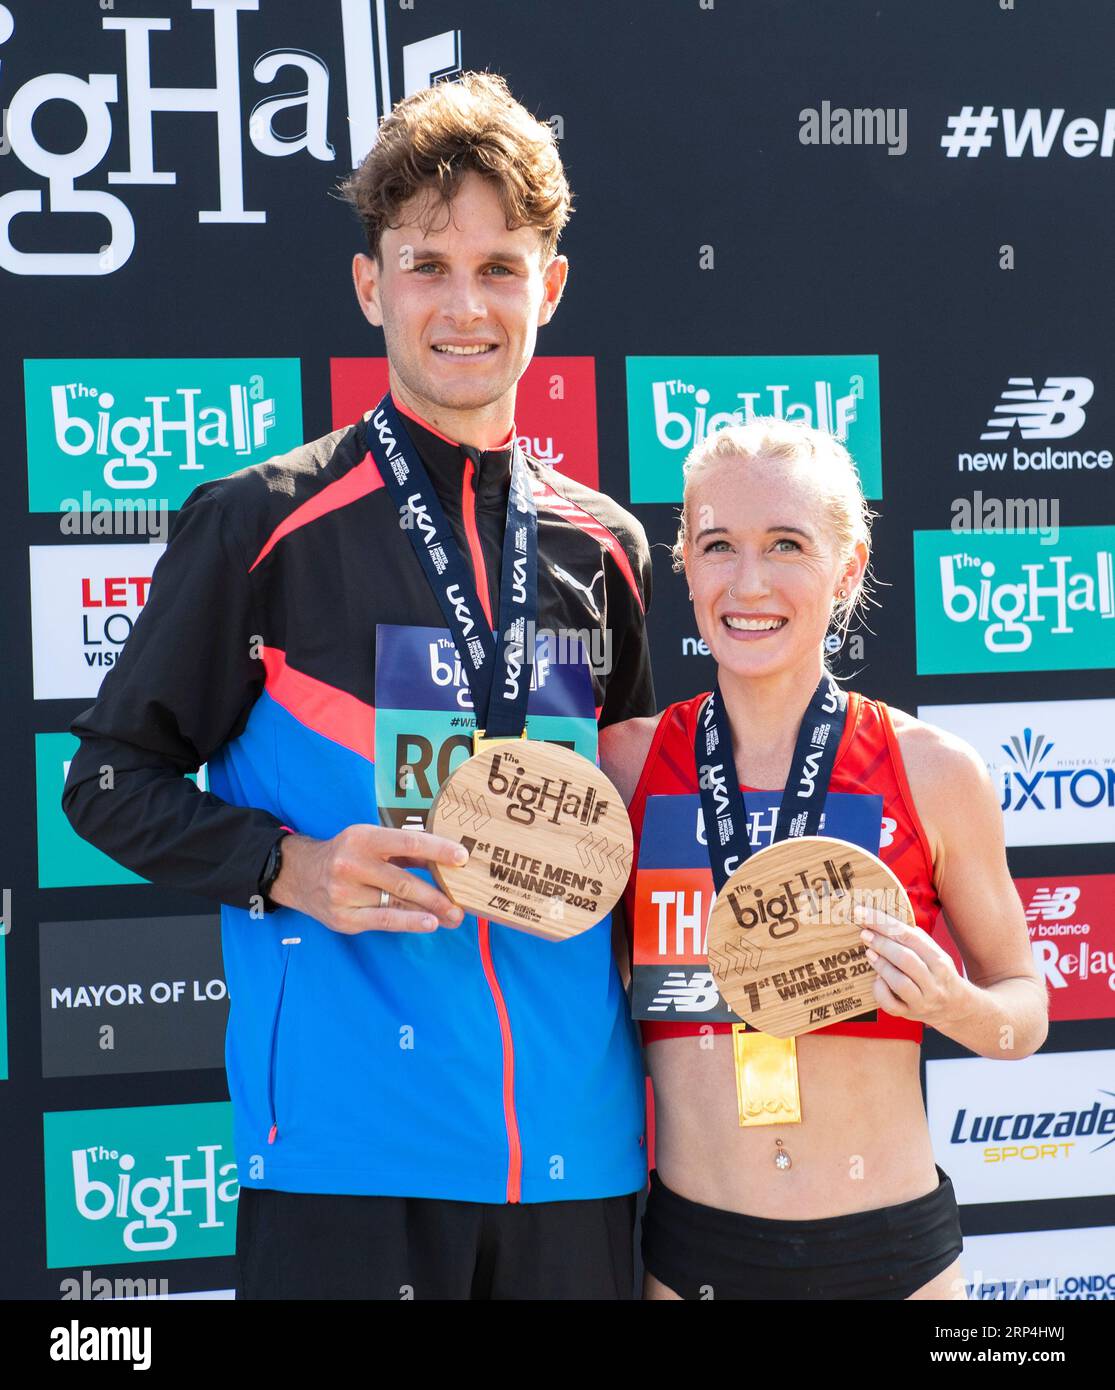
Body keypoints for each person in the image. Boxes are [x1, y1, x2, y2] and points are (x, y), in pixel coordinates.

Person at [62, 72, 655, 1300]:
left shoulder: (604, 548)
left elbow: (646, 826)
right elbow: (108, 781)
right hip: (350, 1159)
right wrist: (289, 866)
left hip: (581, 1156)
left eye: (499, 268)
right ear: (368, 285)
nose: (463, 305)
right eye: (426, 263)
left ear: (548, 289)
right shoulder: (259, 524)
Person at [601, 417, 1047, 1301]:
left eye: (786, 545)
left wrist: (950, 1003)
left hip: (892, 1259)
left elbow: (1022, 1014)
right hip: (695, 1258)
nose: (749, 581)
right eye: (718, 544)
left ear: (845, 569)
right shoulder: (625, 765)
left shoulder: (932, 769)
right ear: (684, 562)